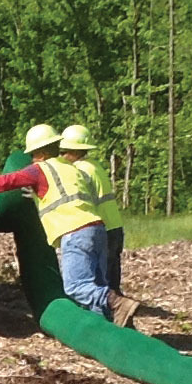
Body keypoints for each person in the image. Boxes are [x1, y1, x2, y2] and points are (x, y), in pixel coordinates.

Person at [0, 123, 139, 327]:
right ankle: (113, 329)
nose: (32, 159)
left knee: (77, 286)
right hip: (97, 228)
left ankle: (116, 302)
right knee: (96, 283)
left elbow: (7, 181)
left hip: (74, 232)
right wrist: (37, 195)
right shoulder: (71, 168)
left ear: (41, 153)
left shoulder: (39, 170)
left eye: (33, 155)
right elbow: (64, 194)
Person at [60, 124, 125, 294]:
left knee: (98, 279)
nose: (61, 156)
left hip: (102, 228)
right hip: (115, 226)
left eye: (63, 152)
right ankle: (119, 310)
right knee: (112, 277)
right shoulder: (94, 166)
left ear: (73, 151)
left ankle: (109, 313)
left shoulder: (80, 171)